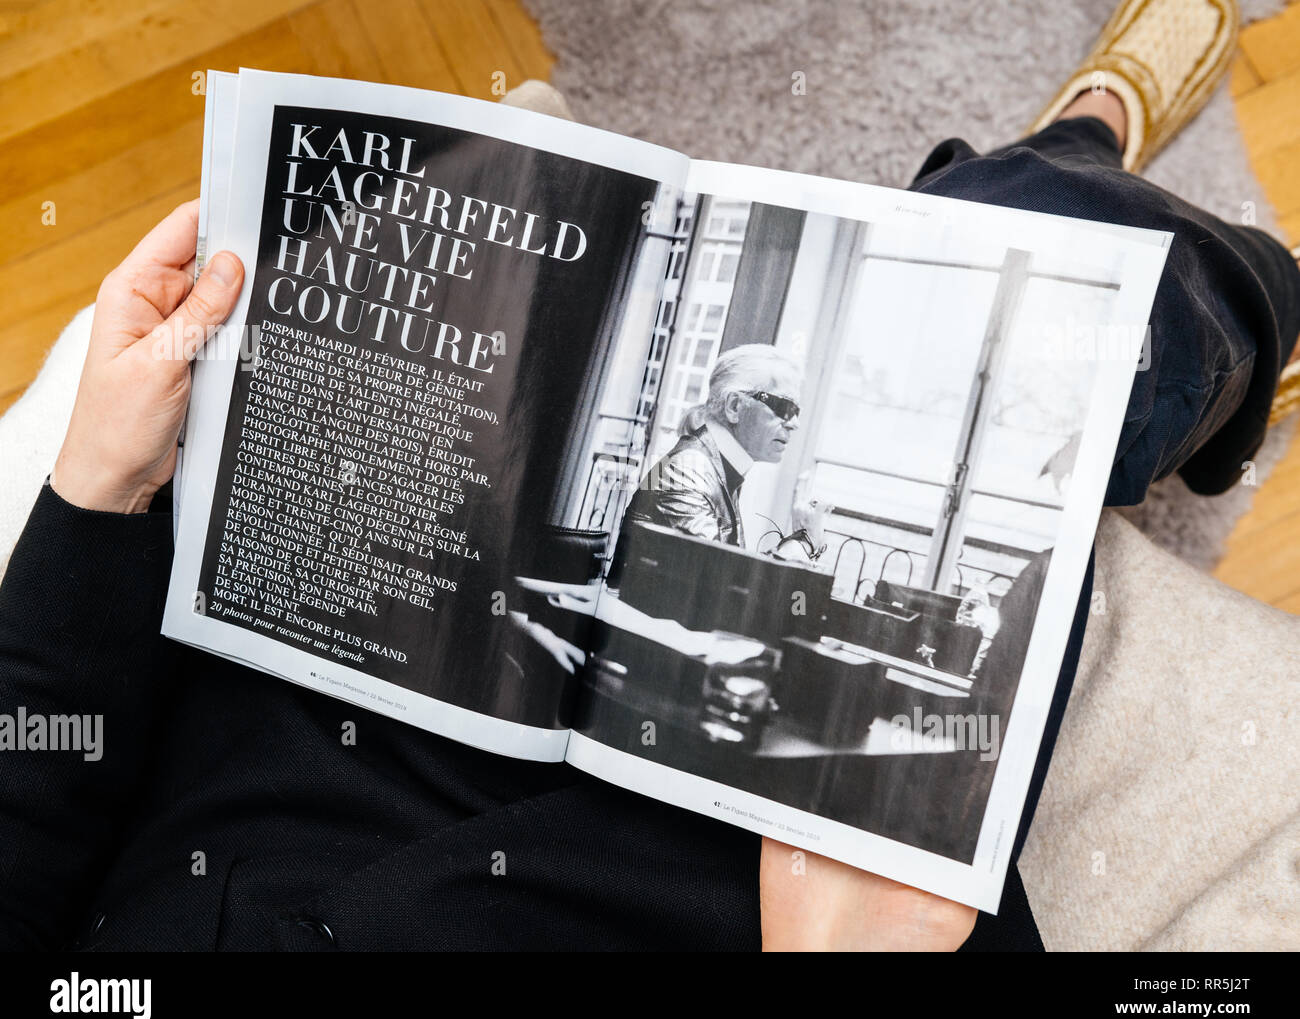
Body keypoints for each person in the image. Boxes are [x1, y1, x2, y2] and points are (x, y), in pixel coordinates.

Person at [1, 0, 1296, 951]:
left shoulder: (717, 470)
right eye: (773, 410)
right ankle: (1132, 179)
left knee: (996, 287)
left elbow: (28, 774)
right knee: (1041, 308)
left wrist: (90, 494)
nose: (786, 426)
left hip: (328, 667)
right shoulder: (703, 473)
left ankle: (1101, 163)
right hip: (704, 838)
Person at [621, 343, 802, 549]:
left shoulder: (716, 466)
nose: (795, 423)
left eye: (797, 411)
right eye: (785, 407)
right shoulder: (686, 469)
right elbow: (714, 571)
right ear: (734, 406)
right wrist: (801, 544)